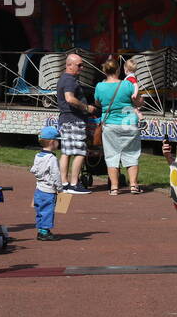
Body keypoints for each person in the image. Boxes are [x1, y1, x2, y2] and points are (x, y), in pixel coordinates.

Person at [94, 56, 141, 195]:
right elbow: (137, 102)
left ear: (104, 70)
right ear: (119, 70)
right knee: (132, 154)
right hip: (129, 122)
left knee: (112, 155)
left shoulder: (100, 86)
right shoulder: (127, 84)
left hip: (110, 123)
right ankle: (133, 185)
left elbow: (98, 103)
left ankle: (114, 187)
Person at [57, 52, 97, 194]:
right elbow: (69, 98)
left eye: (82, 65)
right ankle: (74, 184)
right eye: (79, 65)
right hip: (74, 119)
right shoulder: (70, 80)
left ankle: (64, 183)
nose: (81, 67)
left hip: (66, 119)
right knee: (80, 152)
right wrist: (87, 108)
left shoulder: (65, 78)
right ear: (69, 65)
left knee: (66, 152)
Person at [30, 126, 62, 241]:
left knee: (40, 210)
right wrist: (59, 187)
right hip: (49, 190)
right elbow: (56, 174)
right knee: (48, 210)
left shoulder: (38, 155)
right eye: (58, 140)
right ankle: (44, 232)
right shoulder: (52, 158)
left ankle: (40, 230)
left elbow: (33, 169)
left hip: (39, 189)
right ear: (52, 142)